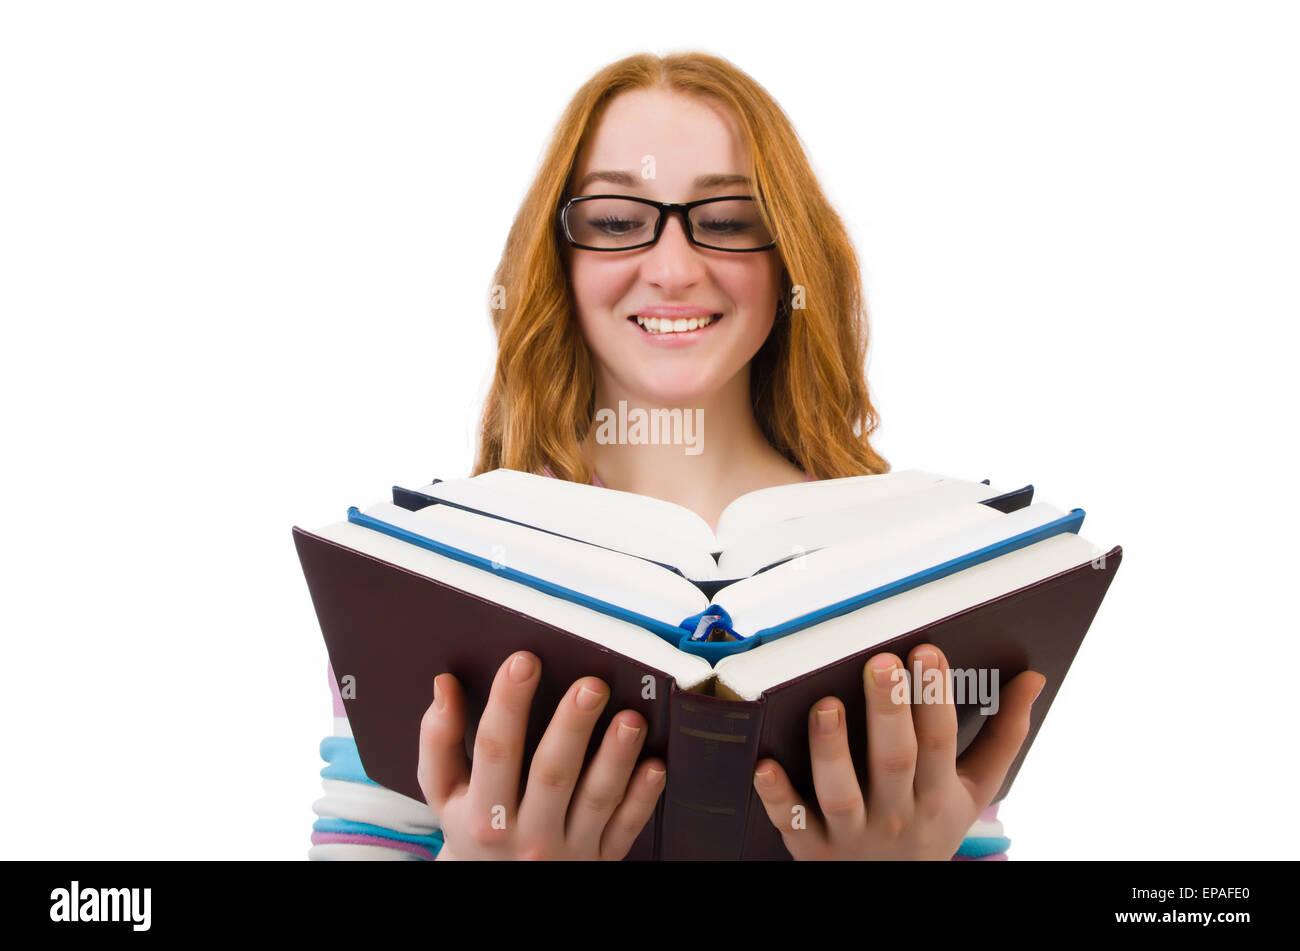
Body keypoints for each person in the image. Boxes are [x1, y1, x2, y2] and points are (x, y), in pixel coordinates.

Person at [309, 51, 1042, 861]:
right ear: (560, 257)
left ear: (790, 253)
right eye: (619, 222)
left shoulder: (913, 569)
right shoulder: (430, 570)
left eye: (727, 221)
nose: (673, 269)